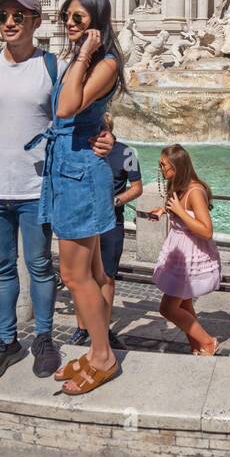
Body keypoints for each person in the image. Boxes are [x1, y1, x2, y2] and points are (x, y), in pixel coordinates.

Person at [0, 0, 114, 388]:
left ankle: (44, 339)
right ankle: (5, 341)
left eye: (19, 16)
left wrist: (106, 137)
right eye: (3, 15)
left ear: (34, 22)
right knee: (0, 268)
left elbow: (82, 112)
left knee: (43, 268)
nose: (9, 22)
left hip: (40, 186)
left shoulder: (56, 66)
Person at [42, 0, 125, 396]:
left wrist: (84, 54)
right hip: (69, 169)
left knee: (75, 277)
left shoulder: (105, 62)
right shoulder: (81, 61)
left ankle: (104, 357)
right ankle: (97, 352)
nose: (71, 24)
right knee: (89, 273)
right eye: (67, 18)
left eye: (79, 18)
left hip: (79, 175)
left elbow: (65, 108)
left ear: (98, 21)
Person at [67, 111, 140, 350]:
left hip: (112, 223)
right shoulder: (81, 151)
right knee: (80, 276)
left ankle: (104, 327)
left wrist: (116, 201)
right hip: (83, 221)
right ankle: (82, 327)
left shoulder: (127, 152)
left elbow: (137, 188)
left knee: (107, 277)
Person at [151, 144, 221, 355]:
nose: (161, 169)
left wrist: (180, 212)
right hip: (180, 254)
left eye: (164, 165)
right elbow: (182, 212)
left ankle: (208, 342)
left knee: (167, 308)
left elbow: (207, 230)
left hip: (192, 256)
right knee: (185, 306)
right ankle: (196, 347)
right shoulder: (178, 186)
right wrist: (164, 210)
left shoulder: (195, 191)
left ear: (177, 166)